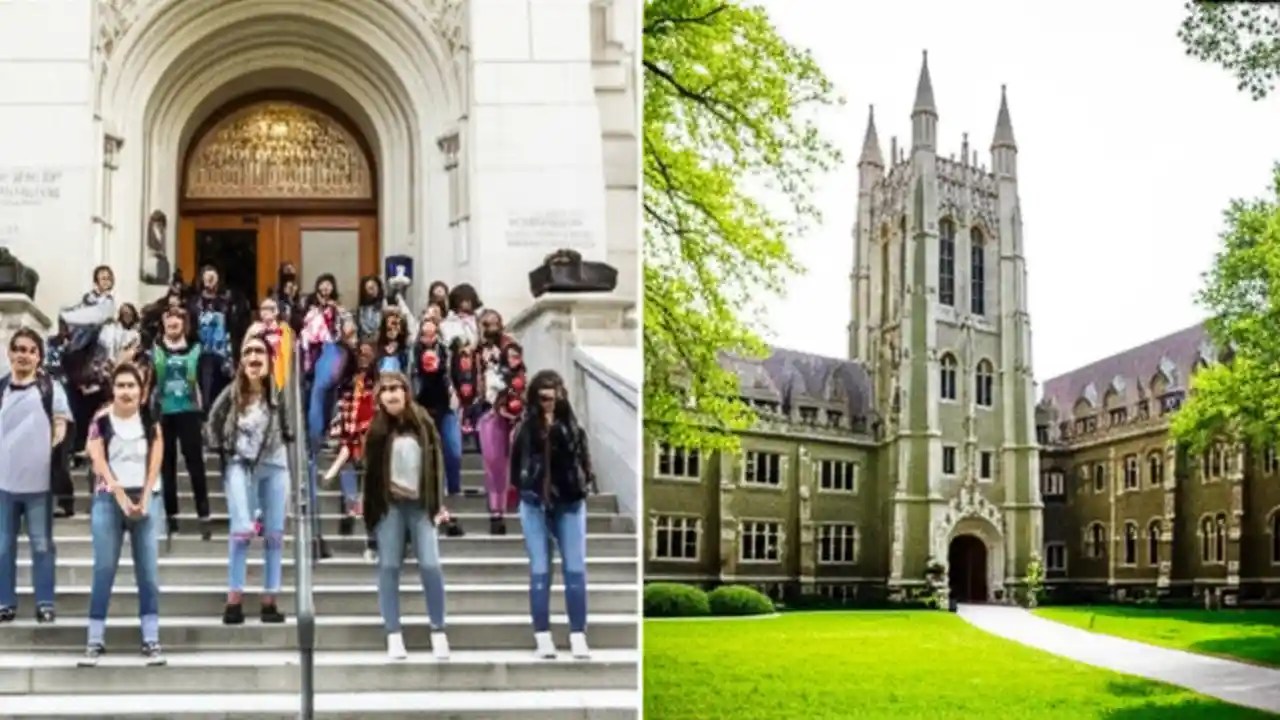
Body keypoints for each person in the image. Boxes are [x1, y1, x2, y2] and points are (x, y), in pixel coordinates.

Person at [359, 371, 451, 659]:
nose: (391, 394)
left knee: (430, 565)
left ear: (406, 391)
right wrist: (370, 521)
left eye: (396, 387)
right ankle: (393, 632)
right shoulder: (376, 430)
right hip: (391, 506)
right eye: (384, 390)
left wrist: (438, 503)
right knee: (388, 566)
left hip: (421, 504)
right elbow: (370, 478)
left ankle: (438, 629)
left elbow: (437, 465)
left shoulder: (423, 423)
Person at [79, 364, 166, 666]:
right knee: (104, 568)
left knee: (148, 572)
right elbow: (98, 460)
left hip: (145, 499)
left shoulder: (150, 419)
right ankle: (94, 639)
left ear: (141, 391)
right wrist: (119, 495)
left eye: (132, 385)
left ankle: (151, 638)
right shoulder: (100, 420)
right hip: (108, 499)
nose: (126, 391)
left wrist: (142, 499)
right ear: (113, 390)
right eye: (121, 386)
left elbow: (156, 460)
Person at [508, 371, 596, 659]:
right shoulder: (526, 429)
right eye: (543, 397)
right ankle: (543, 635)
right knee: (540, 571)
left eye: (554, 397)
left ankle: (578, 634)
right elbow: (515, 471)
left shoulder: (572, 427)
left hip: (570, 502)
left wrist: (557, 432)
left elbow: (582, 463)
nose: (549, 403)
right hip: (534, 503)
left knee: (575, 570)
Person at [205, 334, 292, 625]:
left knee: (275, 535)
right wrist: (226, 449)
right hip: (242, 466)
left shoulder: (279, 393)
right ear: (241, 360)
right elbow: (211, 425)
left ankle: (270, 600)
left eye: (260, 352)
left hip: (276, 467)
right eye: (249, 352)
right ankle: (234, 600)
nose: (254, 357)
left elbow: (291, 428)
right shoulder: (231, 394)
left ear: (268, 360)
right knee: (241, 532)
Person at [0, 328, 71, 624]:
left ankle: (45, 601)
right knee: (3, 546)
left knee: (42, 545)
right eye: (18, 349)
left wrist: (50, 452)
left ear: (39, 356)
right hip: (3, 483)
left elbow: (61, 423)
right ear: (9, 353)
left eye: (30, 350)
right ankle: (5, 601)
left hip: (39, 483)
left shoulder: (50, 388)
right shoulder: (1, 388)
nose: (23, 355)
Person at [152, 309, 211, 540]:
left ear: (184, 325)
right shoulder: (154, 350)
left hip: (189, 411)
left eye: (177, 322)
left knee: (195, 464)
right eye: (168, 321)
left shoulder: (197, 349)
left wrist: (205, 409)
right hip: (164, 413)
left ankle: (204, 515)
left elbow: (205, 381)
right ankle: (171, 518)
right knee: (166, 467)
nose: (172, 325)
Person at [411, 315, 465, 539]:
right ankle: (436, 493)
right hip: (422, 407)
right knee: (429, 453)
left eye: (432, 333)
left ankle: (453, 489)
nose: (428, 338)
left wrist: (457, 392)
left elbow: (457, 374)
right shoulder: (413, 353)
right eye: (425, 334)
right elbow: (410, 377)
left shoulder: (447, 352)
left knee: (453, 449)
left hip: (445, 406)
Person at [324, 341, 377, 539]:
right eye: (360, 354)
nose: (363, 357)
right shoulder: (346, 383)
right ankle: (351, 505)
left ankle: (364, 504)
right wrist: (339, 431)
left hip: (369, 434)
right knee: (347, 465)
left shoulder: (376, 383)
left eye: (368, 354)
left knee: (369, 469)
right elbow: (341, 408)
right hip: (348, 434)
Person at [477, 342, 526, 534]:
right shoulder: (494, 374)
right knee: (495, 467)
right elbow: (490, 396)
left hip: (515, 422)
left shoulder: (523, 377)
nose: (514, 360)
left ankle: (516, 505)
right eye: (511, 356)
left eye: (517, 356)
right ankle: (496, 512)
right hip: (494, 420)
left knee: (515, 465)